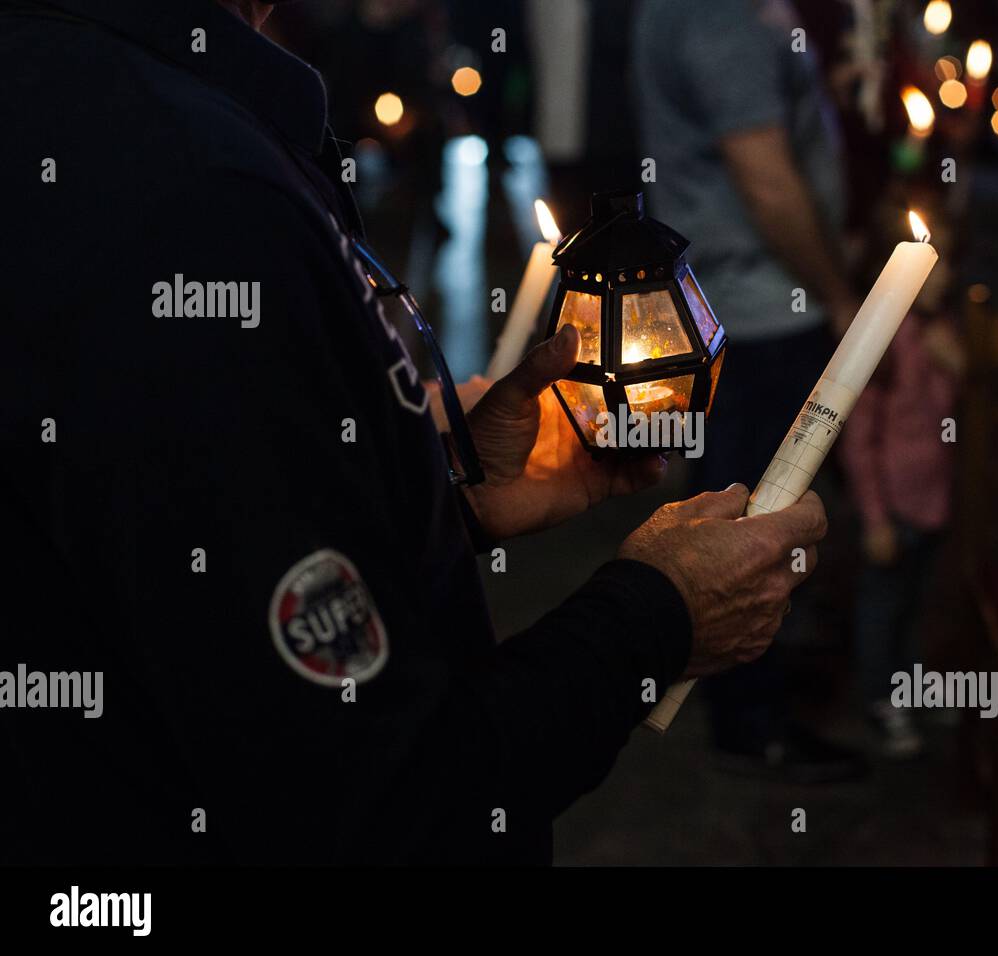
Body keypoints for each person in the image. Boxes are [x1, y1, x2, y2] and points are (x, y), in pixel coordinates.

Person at [0, 0, 827, 865]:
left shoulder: (107, 98)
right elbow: (372, 800)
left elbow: (188, 548)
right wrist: (659, 616)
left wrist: (436, 494)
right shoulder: (192, 196)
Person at [632, 0, 863, 780]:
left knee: (751, 505)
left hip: (747, 299)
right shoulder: (719, 15)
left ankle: (749, 692)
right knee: (759, 517)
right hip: (762, 308)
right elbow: (764, 178)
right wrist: (837, 293)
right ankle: (751, 715)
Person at [837, 244, 963, 757]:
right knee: (882, 605)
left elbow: (946, 409)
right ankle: (881, 697)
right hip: (893, 506)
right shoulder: (881, 344)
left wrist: (953, 364)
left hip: (934, 497)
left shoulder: (938, 331)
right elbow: (858, 440)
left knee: (914, 602)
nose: (945, 276)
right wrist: (875, 520)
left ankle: (912, 686)